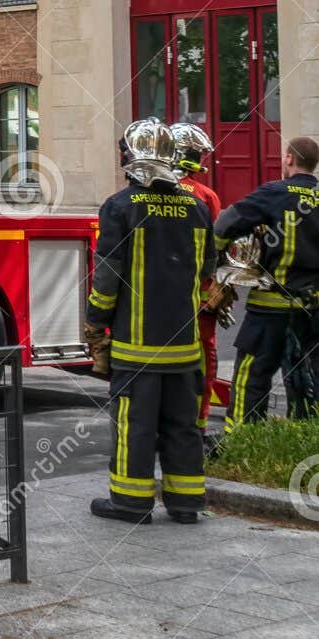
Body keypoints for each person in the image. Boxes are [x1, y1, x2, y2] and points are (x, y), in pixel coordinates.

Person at [84, 119, 212, 525]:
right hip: (185, 345)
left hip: (137, 347)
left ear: (129, 157)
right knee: (183, 425)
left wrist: (95, 321)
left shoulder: (120, 207)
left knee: (136, 424)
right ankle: (186, 503)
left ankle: (130, 502)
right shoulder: (196, 207)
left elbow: (107, 276)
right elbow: (206, 270)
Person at [215, 135, 319, 428]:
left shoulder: (274, 193)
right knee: (307, 380)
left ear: (288, 159)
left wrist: (216, 260)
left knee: (252, 378)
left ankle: (242, 439)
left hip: (270, 309)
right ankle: (305, 439)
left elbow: (224, 225)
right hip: (313, 312)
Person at [170, 123, 223, 442]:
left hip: (161, 298)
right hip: (199, 297)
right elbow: (214, 250)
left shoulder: (146, 191)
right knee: (203, 360)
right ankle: (198, 426)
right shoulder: (207, 197)